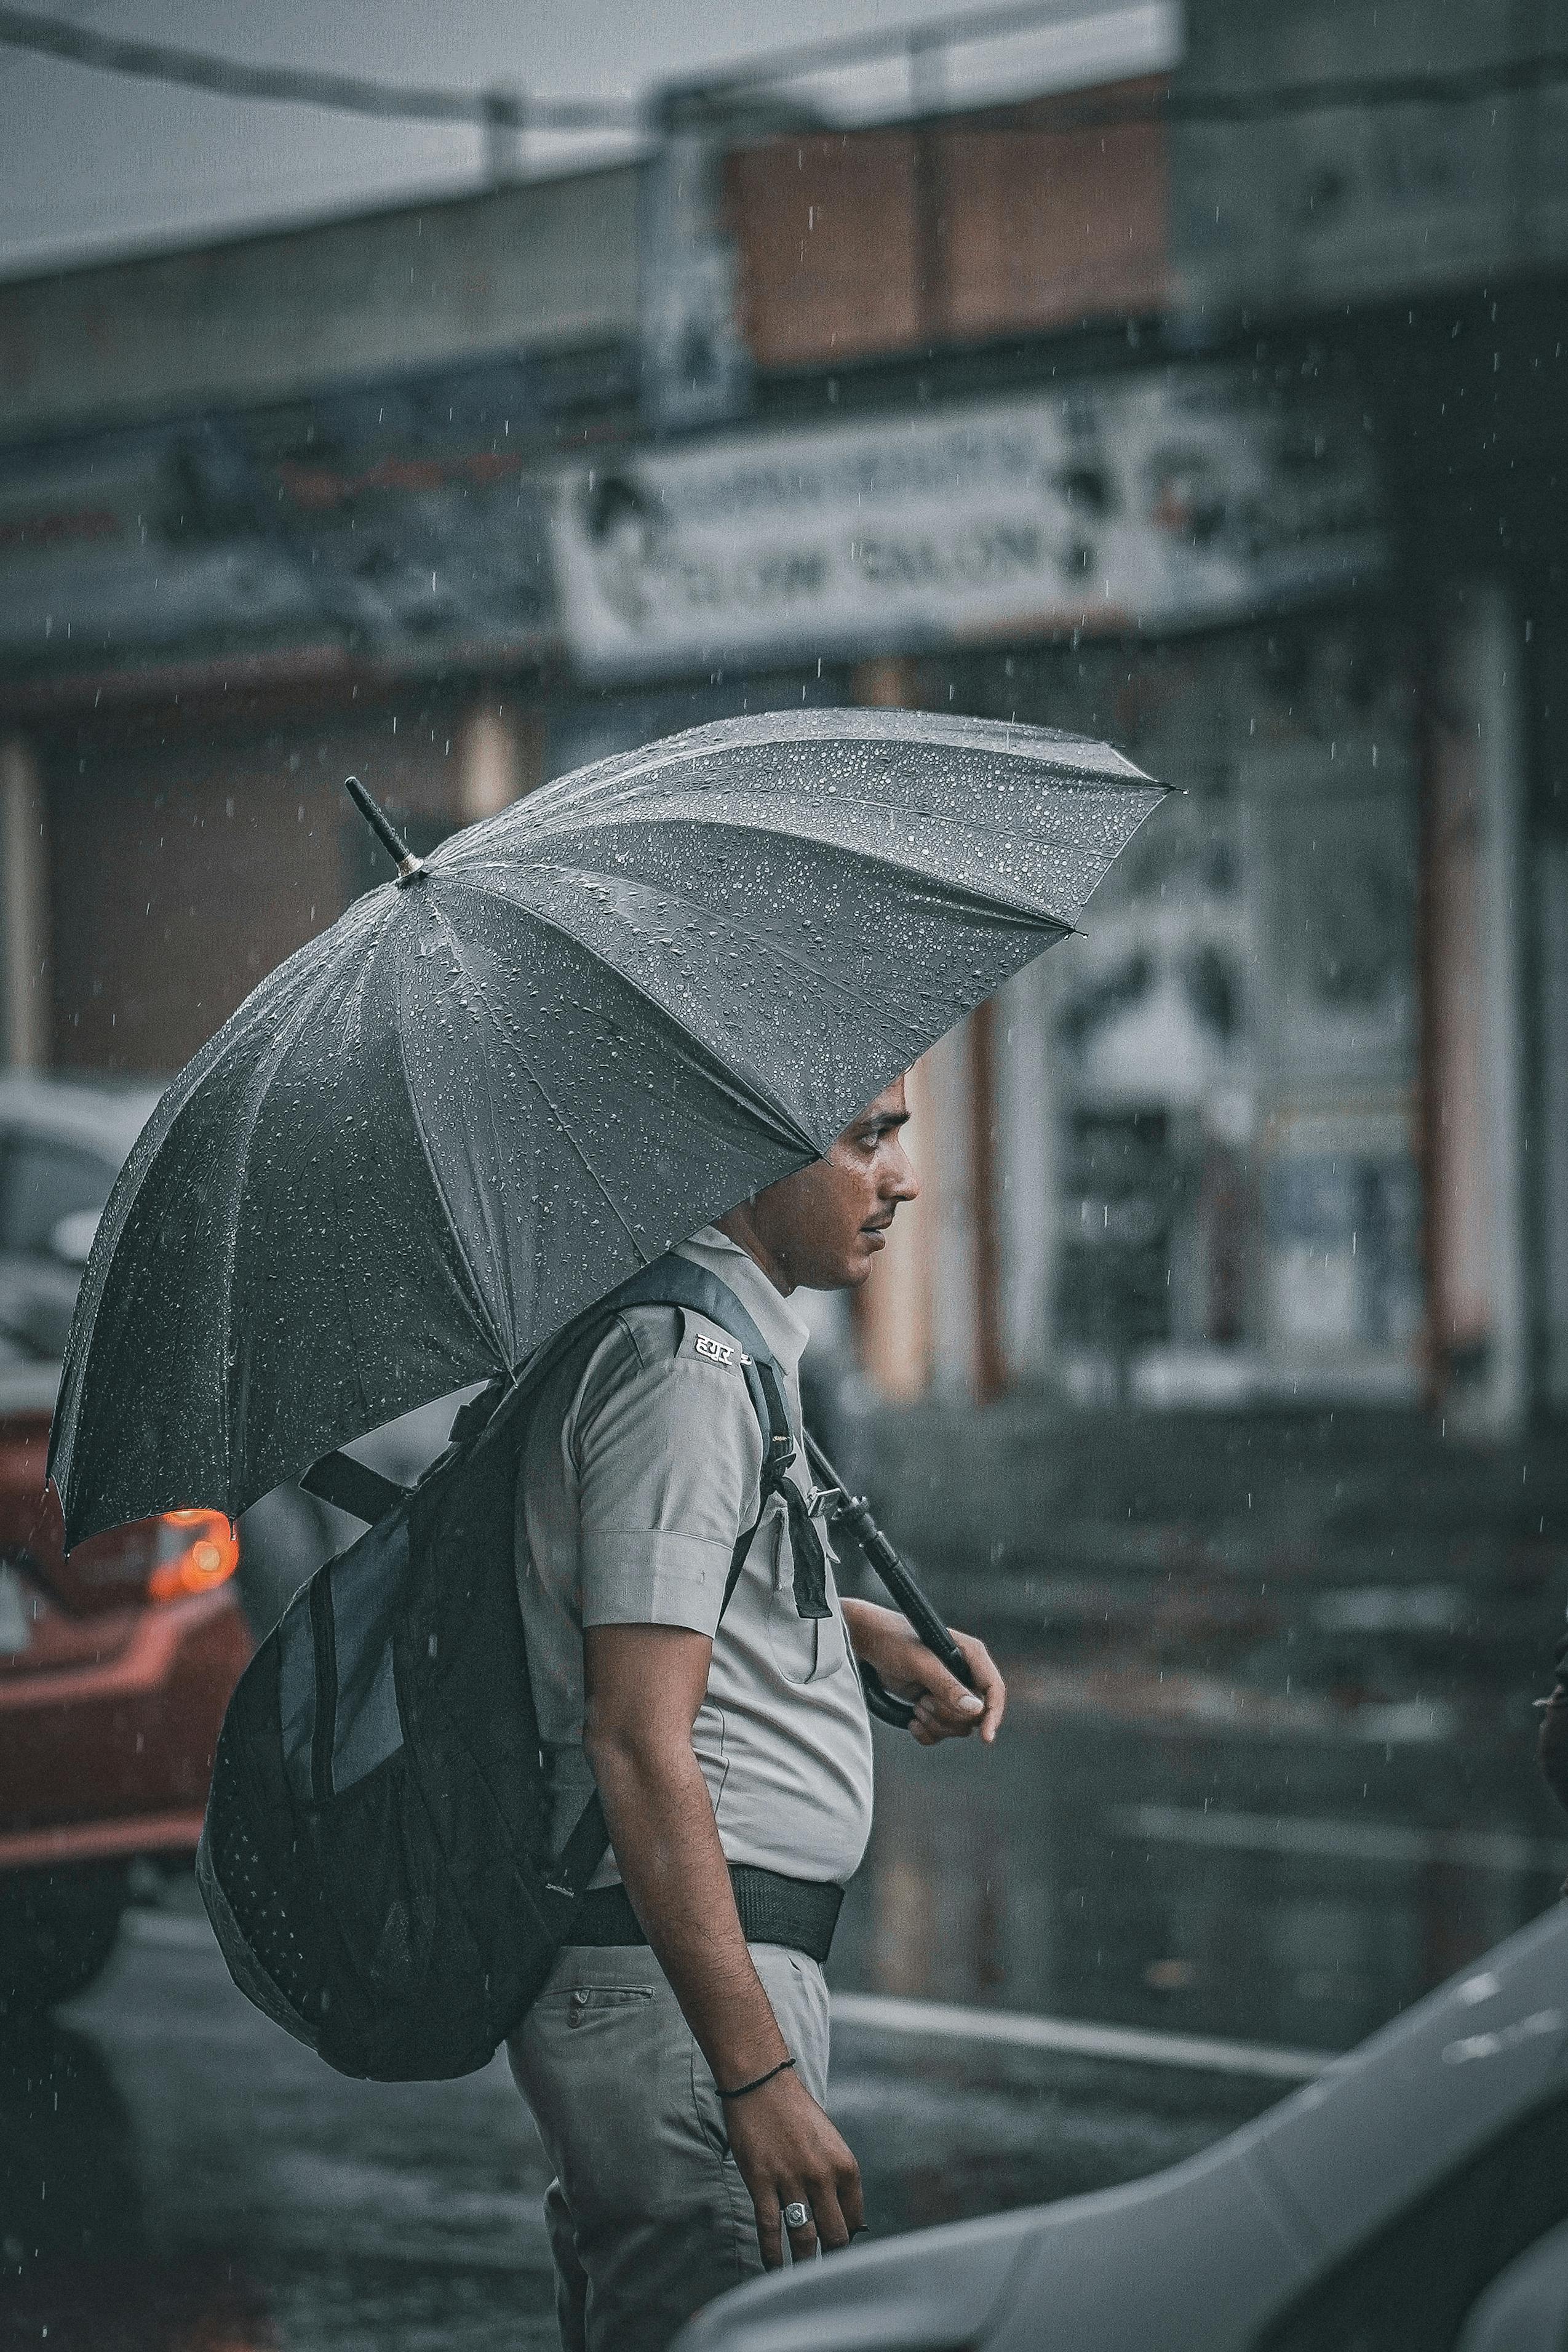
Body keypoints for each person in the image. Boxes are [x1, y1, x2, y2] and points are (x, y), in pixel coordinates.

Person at [505, 1074, 1007, 2352]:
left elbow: (656, 1618)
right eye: (867, 1138)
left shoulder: (707, 1351)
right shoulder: (681, 1368)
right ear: (749, 1154)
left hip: (688, 1987)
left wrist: (862, 1632)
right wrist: (755, 2072)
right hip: (689, 2003)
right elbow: (634, 1731)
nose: (900, 1178)